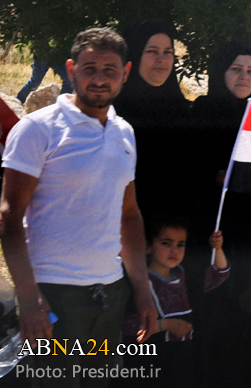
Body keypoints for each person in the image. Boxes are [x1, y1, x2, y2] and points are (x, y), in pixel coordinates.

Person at [0, 27, 157, 386]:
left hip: (109, 298)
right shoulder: (39, 130)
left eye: (109, 70)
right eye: (89, 68)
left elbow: (129, 216)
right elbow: (9, 217)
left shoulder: (124, 133)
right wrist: (30, 298)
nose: (99, 79)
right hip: (54, 299)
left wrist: (142, 288)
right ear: (71, 69)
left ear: (125, 73)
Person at [188, 41, 251, 388]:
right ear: (220, 72)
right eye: (236, 69)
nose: (244, 76)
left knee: (248, 316)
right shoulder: (203, 112)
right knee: (215, 319)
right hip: (214, 232)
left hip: (249, 230)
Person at [121, 219, 230, 388]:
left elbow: (220, 274)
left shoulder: (185, 276)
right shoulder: (138, 282)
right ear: (148, 246)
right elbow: (126, 326)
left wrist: (217, 248)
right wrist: (166, 325)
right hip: (150, 368)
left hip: (183, 364)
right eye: (166, 243)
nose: (174, 250)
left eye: (180, 244)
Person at [115, 20, 191, 221]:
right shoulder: (112, 113)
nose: (162, 59)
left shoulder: (183, 112)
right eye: (152, 51)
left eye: (168, 52)